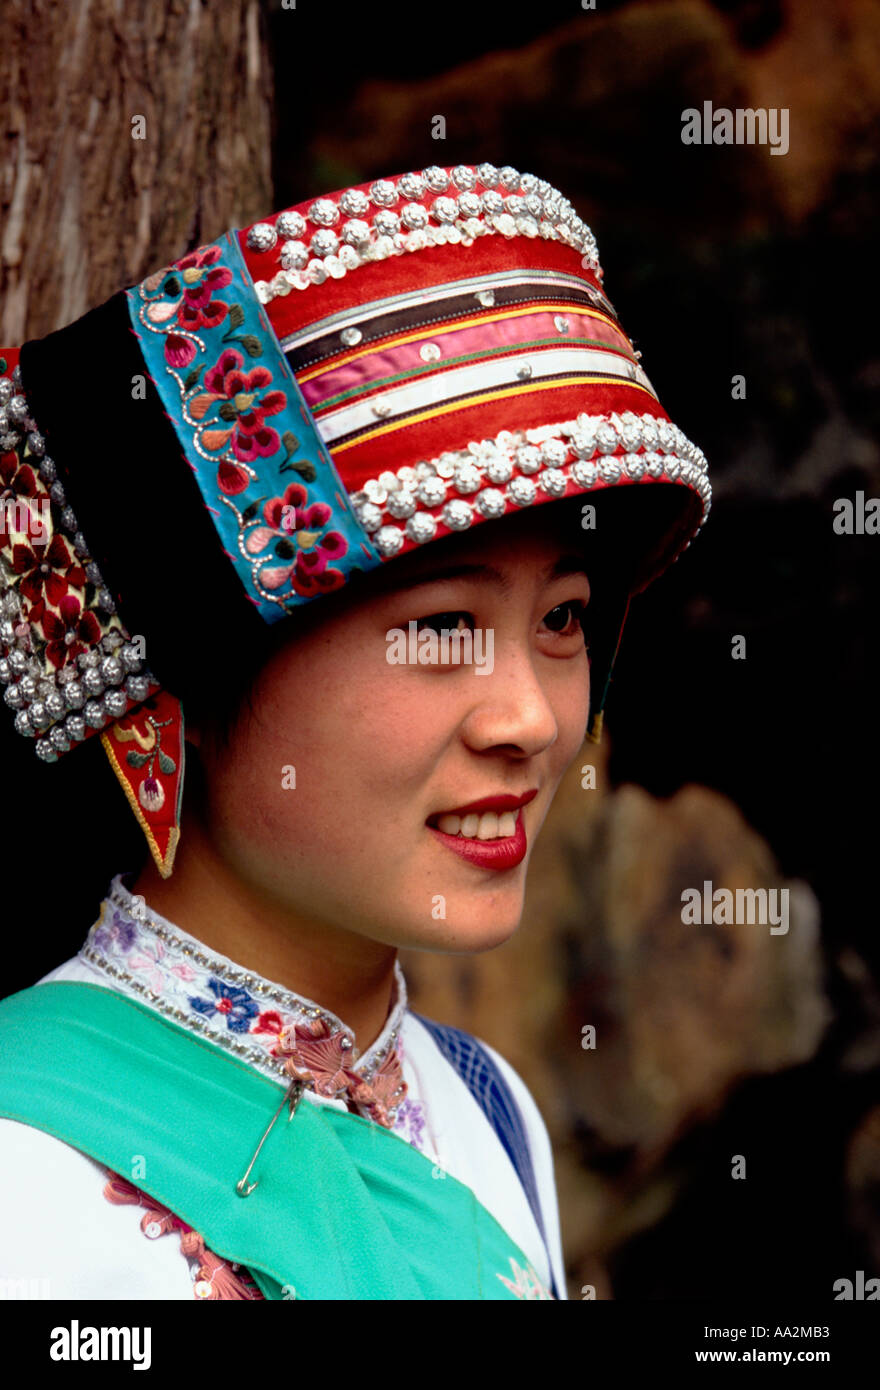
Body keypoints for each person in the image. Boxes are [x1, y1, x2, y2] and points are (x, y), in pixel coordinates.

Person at [0, 161, 710, 1300]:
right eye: (439, 628)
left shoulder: (486, 1107)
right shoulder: (26, 1169)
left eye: (564, 619)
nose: (530, 719)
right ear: (187, 677)